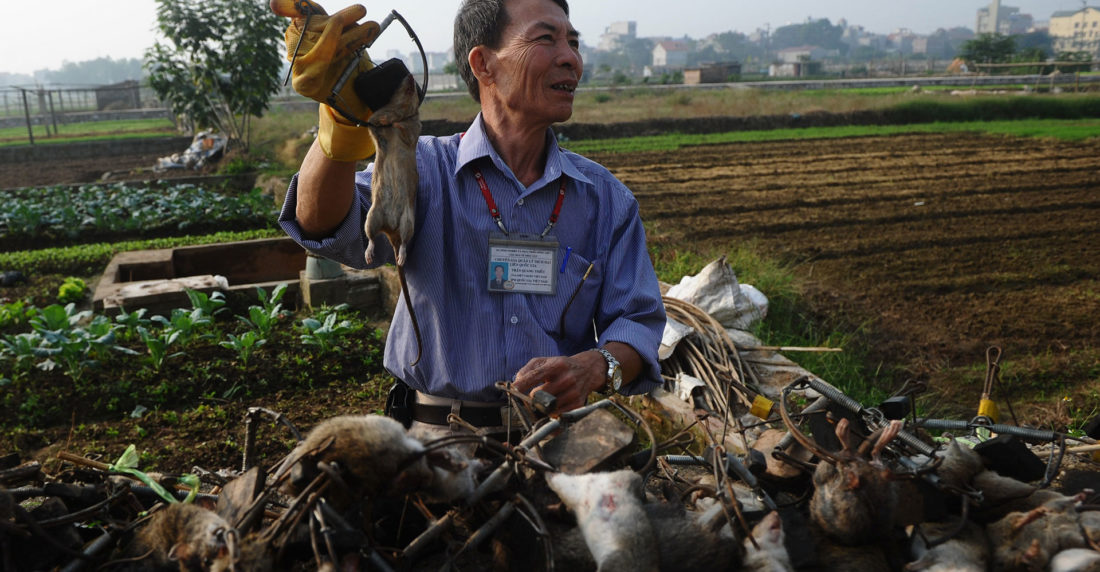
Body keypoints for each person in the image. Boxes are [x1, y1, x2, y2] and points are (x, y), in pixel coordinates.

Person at [278, 0, 665, 434]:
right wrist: (340, 124)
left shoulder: (604, 199)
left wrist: (596, 365)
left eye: (573, 42)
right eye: (546, 38)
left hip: (558, 441)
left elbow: (638, 319)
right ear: (483, 64)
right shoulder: (419, 167)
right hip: (433, 440)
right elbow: (325, 227)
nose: (570, 58)